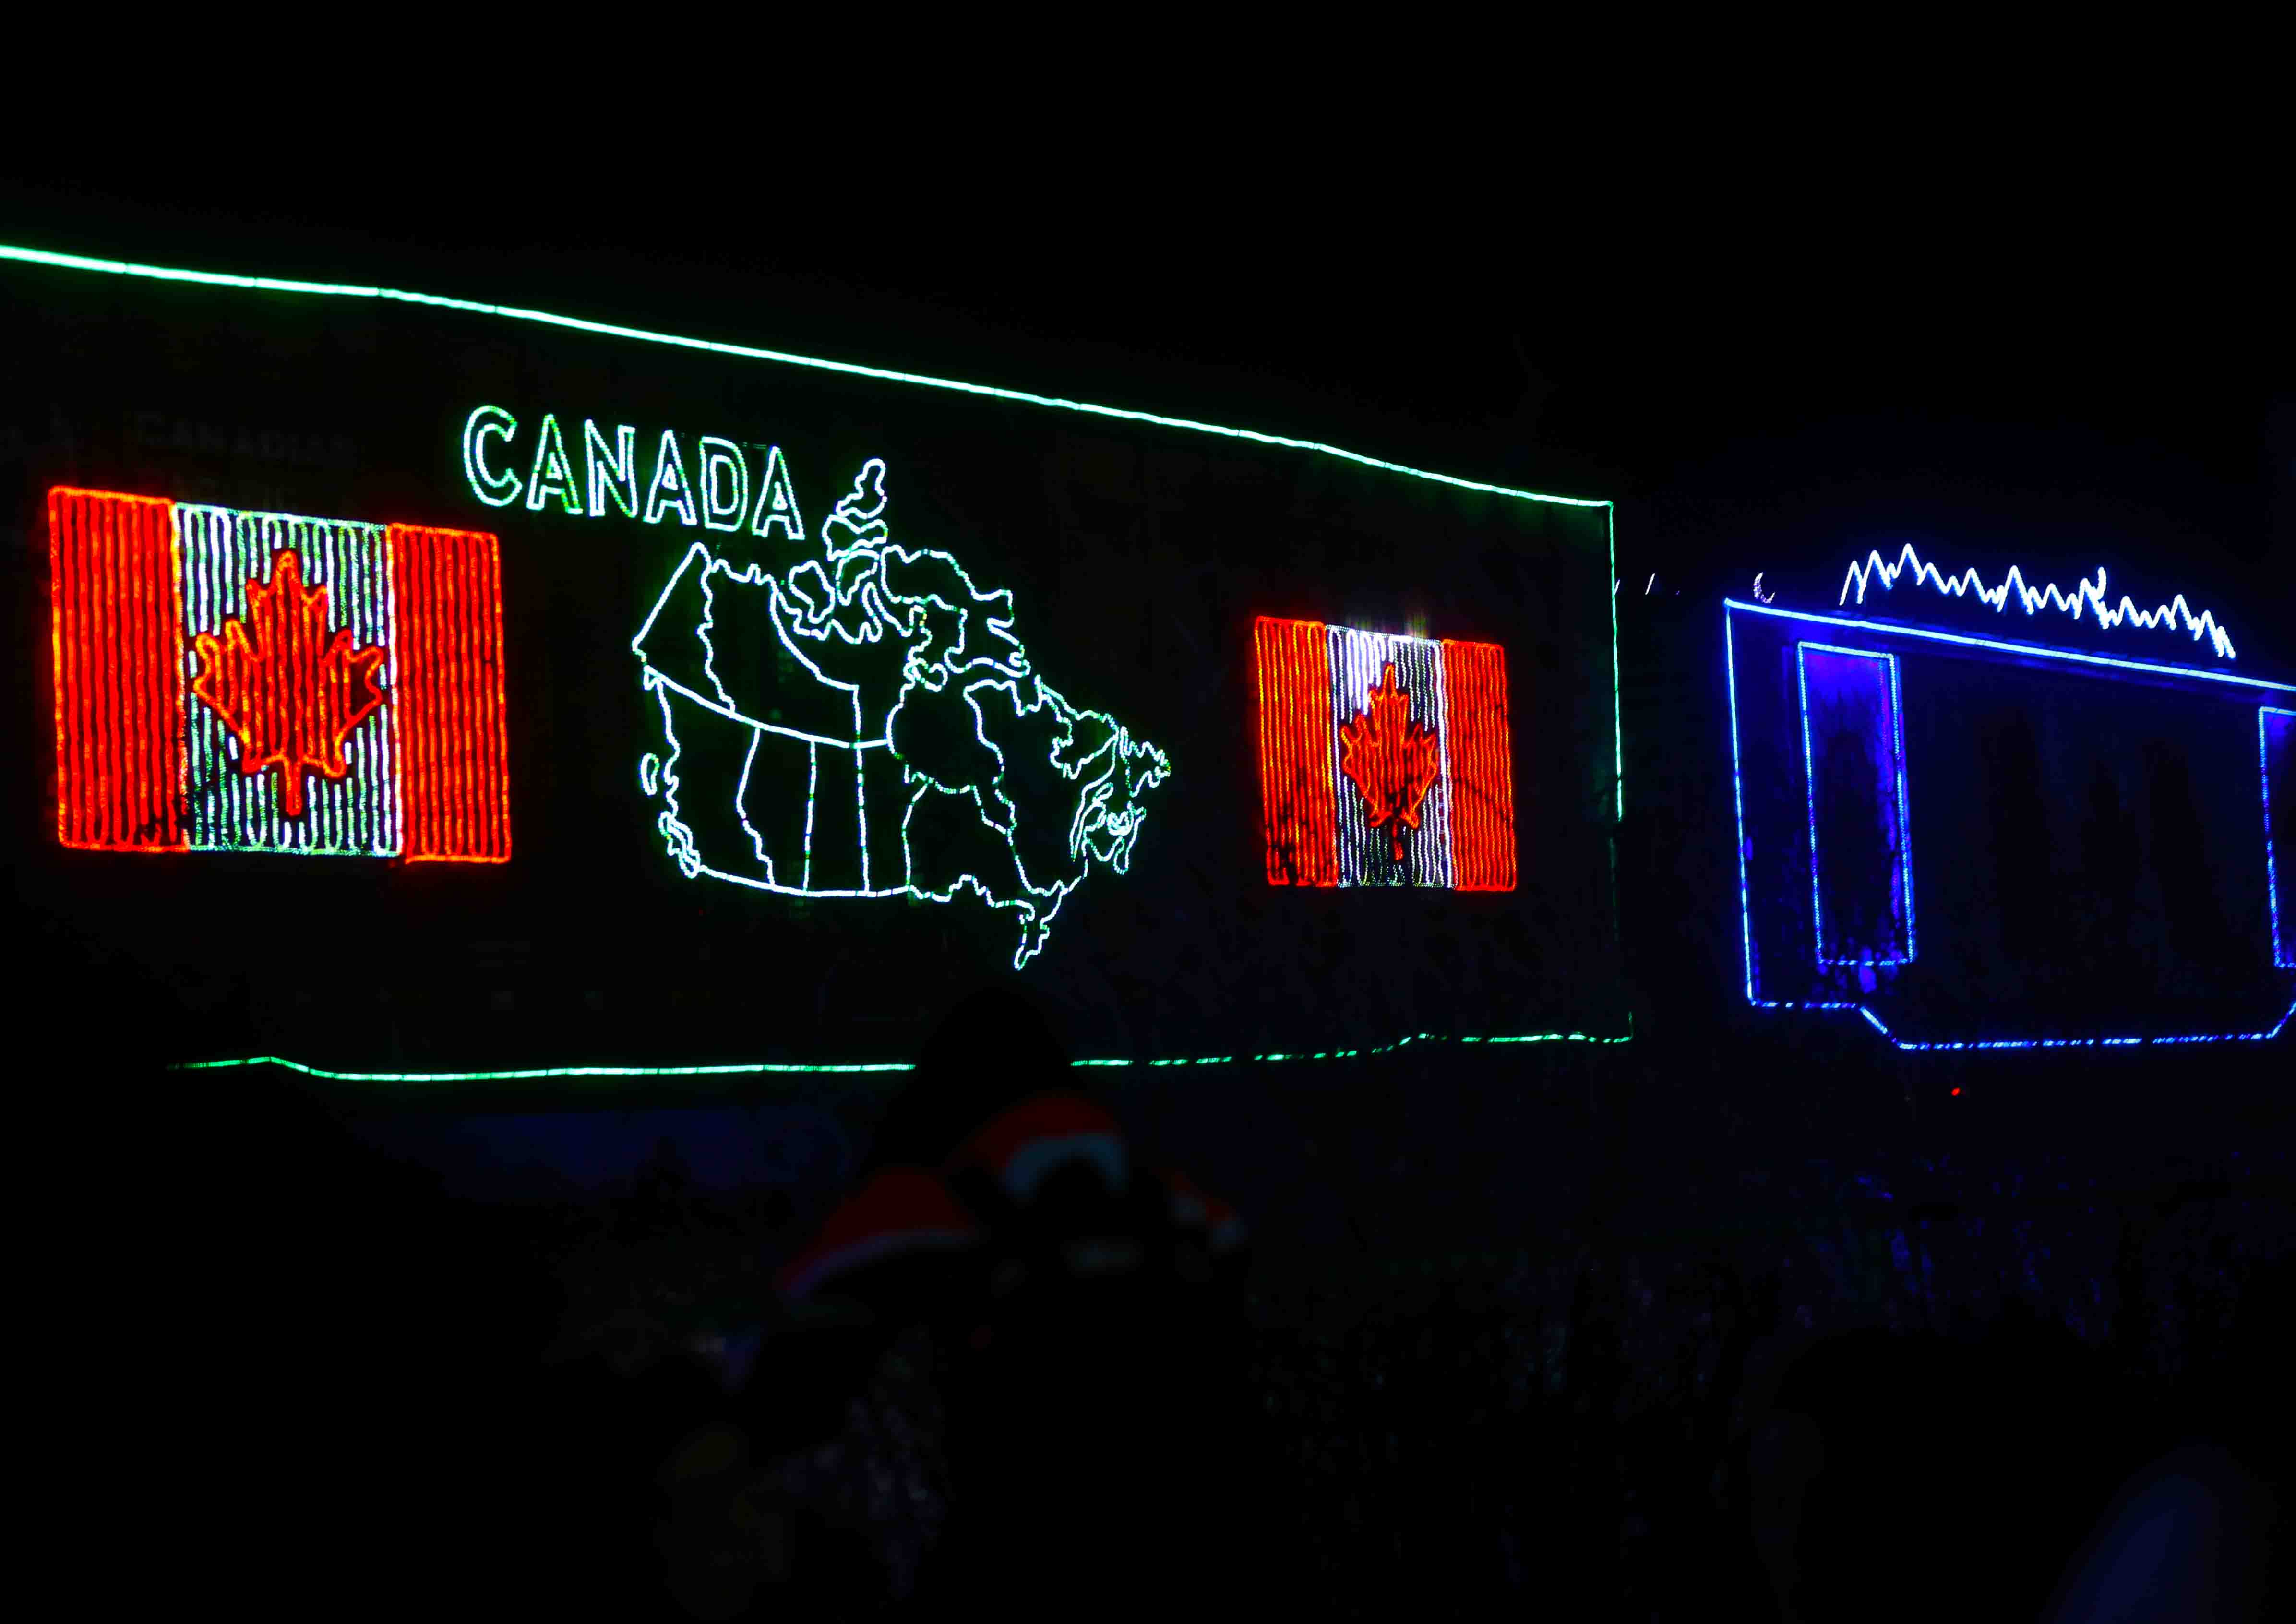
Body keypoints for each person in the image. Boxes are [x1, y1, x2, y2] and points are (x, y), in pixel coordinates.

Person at [740, 986, 1256, 1611]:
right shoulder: (1187, 1207)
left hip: (1014, 1562)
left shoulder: (921, 1205)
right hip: (1201, 1555)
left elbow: (779, 1378)